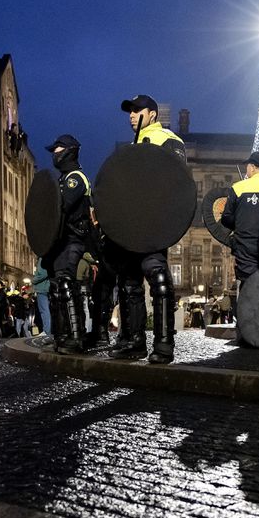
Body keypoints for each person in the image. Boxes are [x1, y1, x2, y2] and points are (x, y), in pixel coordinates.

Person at [107, 94, 185, 363]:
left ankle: (164, 344)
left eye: (137, 110)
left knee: (157, 276)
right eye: (129, 111)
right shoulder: (131, 146)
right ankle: (134, 341)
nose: (131, 115)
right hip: (129, 226)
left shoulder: (168, 140)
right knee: (129, 283)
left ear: (152, 114)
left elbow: (177, 183)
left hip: (153, 222)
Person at [44, 133, 94, 353]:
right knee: (56, 287)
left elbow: (63, 205)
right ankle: (61, 334)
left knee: (66, 282)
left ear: (69, 151)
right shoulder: (62, 180)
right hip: (60, 240)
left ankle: (76, 337)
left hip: (74, 238)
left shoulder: (76, 177)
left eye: (58, 150)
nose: (54, 155)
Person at [220, 151, 259, 283]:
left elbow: (226, 218)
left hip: (244, 247)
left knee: (248, 284)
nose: (246, 169)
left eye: (248, 166)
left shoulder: (238, 187)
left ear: (253, 167)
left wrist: (239, 221)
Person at [31, 258, 52, 342]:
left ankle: (47, 331)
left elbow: (43, 274)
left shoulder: (42, 259)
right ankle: (47, 330)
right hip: (45, 288)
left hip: (42, 288)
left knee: (44, 310)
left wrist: (34, 280)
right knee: (45, 310)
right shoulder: (48, 257)